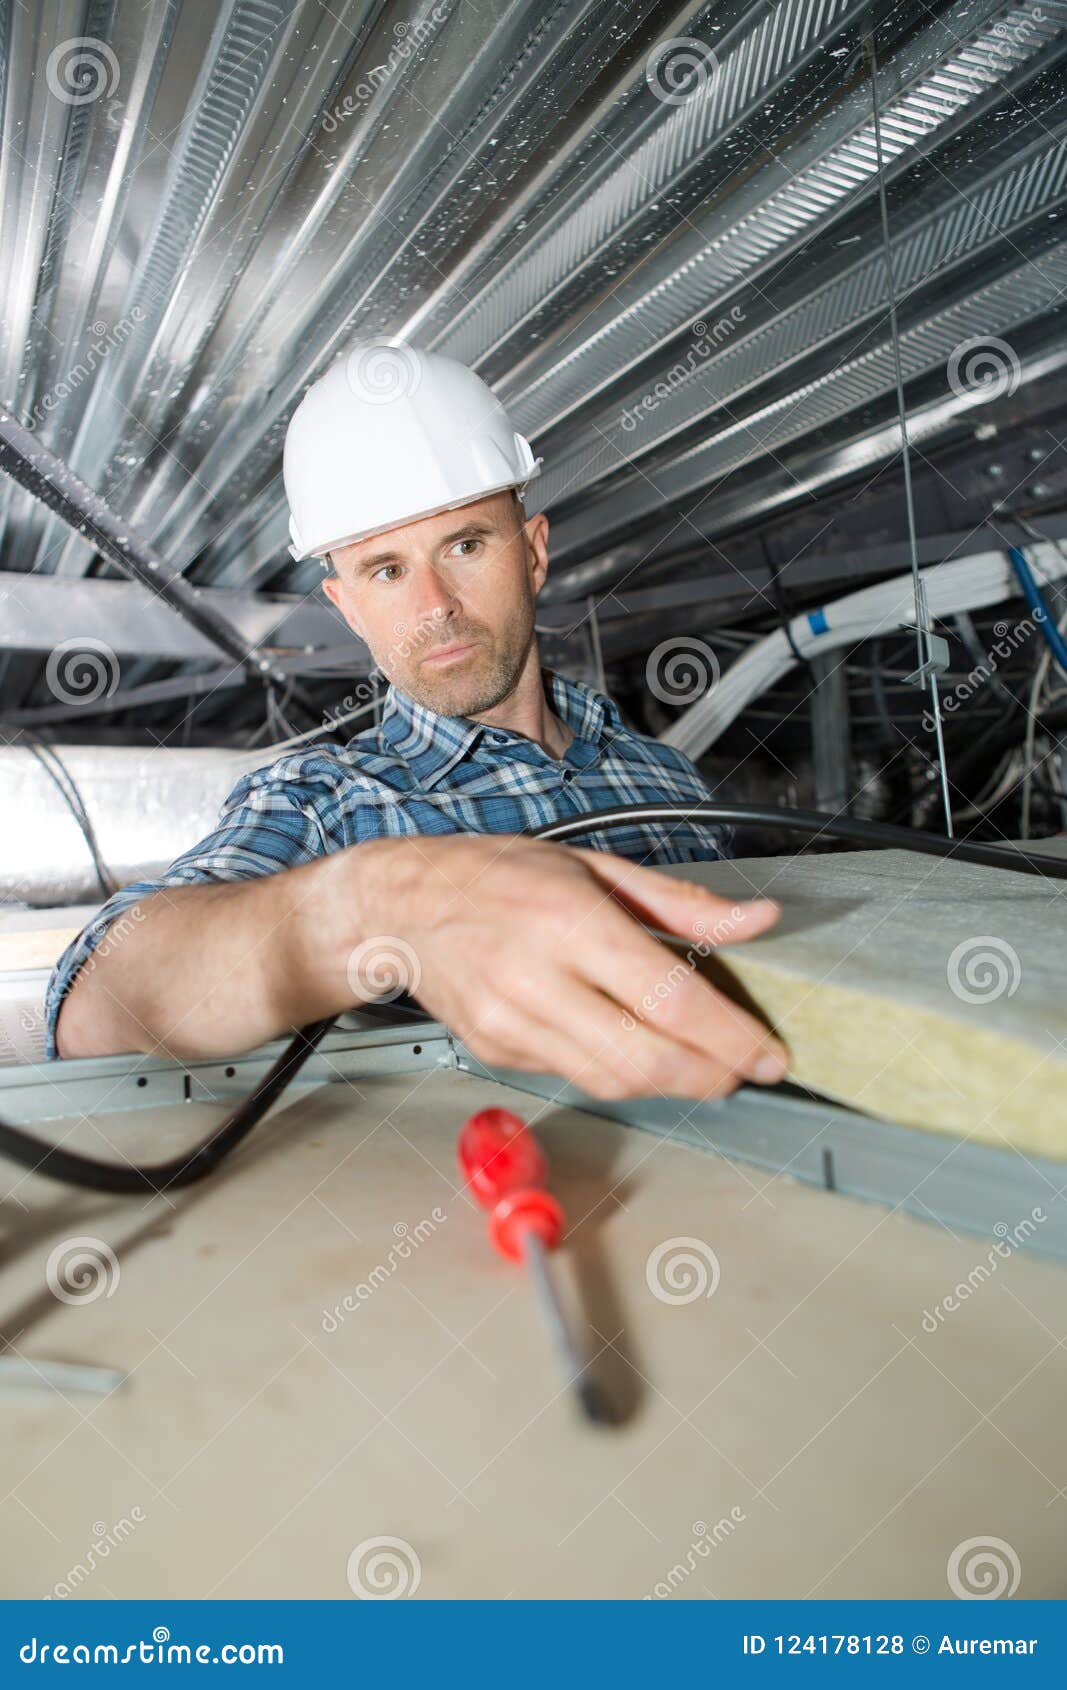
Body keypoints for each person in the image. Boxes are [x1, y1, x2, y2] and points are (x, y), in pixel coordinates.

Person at [47, 342, 787, 1102]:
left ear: (533, 555)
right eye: (387, 571)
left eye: (464, 545)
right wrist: (385, 902)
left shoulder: (663, 776)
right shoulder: (322, 804)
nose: (435, 605)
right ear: (349, 608)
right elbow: (97, 1005)